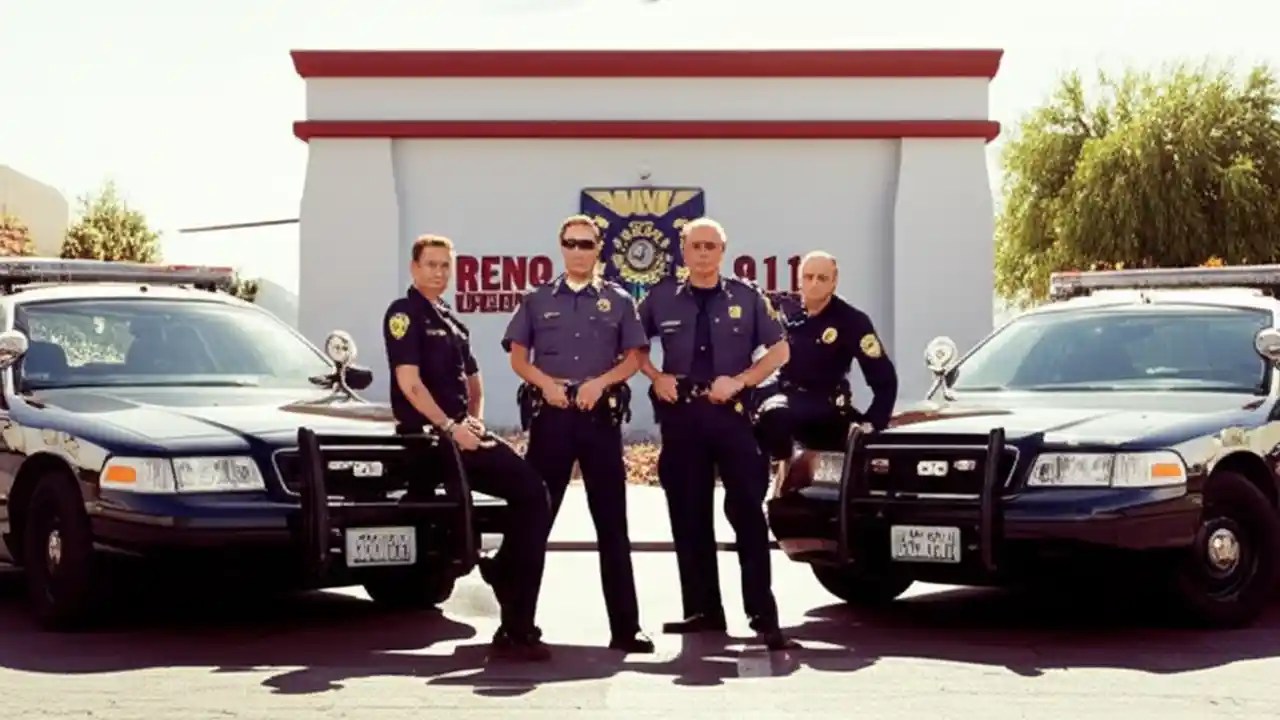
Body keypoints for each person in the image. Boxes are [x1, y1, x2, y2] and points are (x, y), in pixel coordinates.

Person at [382, 233, 554, 662]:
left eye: (445, 266)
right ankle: (518, 625)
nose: (439, 272)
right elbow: (410, 383)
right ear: (414, 268)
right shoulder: (404, 314)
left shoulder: (452, 320)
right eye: (431, 264)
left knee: (533, 494)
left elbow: (472, 382)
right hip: (428, 440)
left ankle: (504, 578)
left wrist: (473, 419)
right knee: (532, 495)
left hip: (459, 433)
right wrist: (448, 426)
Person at [635, 216, 798, 651]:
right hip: (682, 416)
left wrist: (742, 380)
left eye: (711, 246)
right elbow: (632, 343)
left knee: (746, 513)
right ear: (683, 251)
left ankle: (763, 616)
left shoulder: (747, 297)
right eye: (696, 246)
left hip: (732, 416)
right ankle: (703, 610)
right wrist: (655, 375)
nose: (704, 253)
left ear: (722, 252)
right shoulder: (661, 297)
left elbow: (780, 350)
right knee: (689, 517)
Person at [501, 214, 654, 654]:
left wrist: (600, 383)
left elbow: (633, 358)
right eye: (571, 243)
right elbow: (517, 356)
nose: (579, 251)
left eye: (587, 244)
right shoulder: (535, 299)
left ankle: (626, 628)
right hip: (551, 418)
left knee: (612, 525)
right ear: (561, 246)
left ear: (598, 248)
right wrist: (545, 384)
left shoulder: (619, 300)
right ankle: (515, 623)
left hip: (598, 419)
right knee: (534, 523)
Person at [755, 250, 899, 459]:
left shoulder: (851, 321)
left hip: (826, 409)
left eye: (822, 278)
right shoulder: (786, 311)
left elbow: (885, 379)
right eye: (808, 277)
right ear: (799, 280)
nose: (814, 283)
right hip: (787, 401)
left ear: (834, 282)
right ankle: (777, 479)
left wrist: (873, 423)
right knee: (764, 419)